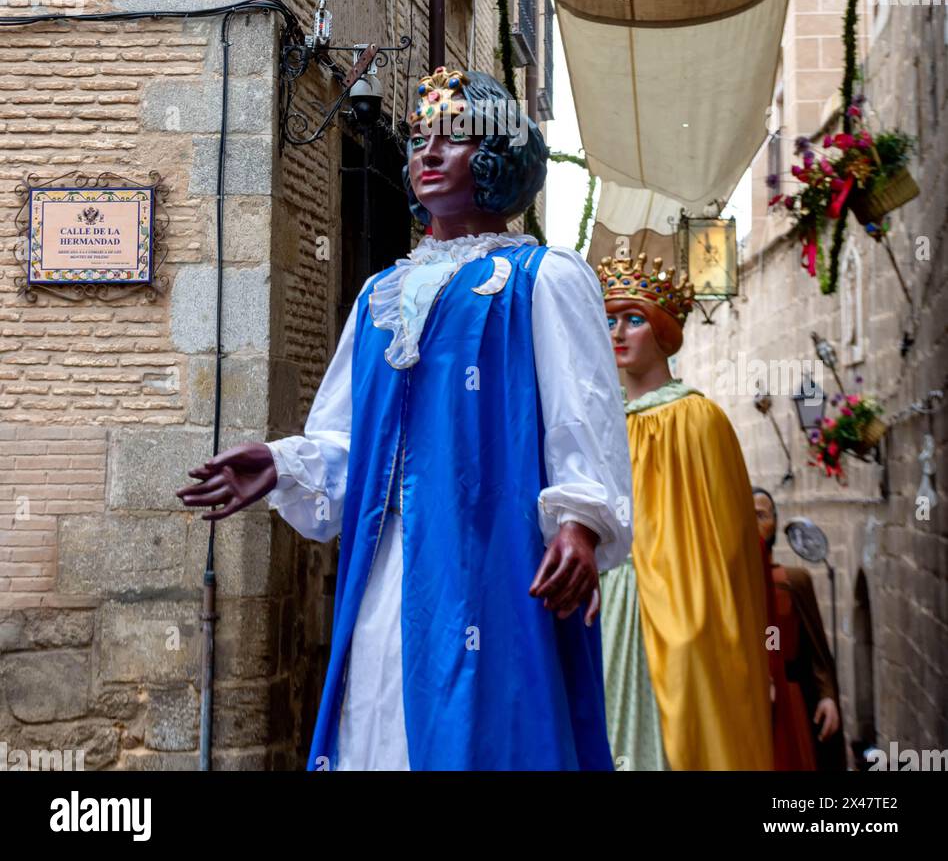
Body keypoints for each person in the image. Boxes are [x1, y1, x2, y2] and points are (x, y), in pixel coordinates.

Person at [177, 67, 632, 771]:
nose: (427, 152)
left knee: (484, 719)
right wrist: (281, 463)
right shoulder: (378, 293)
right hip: (388, 561)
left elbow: (585, 414)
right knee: (381, 710)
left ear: (495, 156)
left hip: (492, 553)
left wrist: (580, 518)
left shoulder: (544, 279)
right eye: (420, 138)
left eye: (451, 139)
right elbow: (348, 440)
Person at [597, 252, 773, 770]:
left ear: (662, 330)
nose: (619, 332)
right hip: (604, 604)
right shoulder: (597, 421)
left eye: (634, 319)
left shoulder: (699, 419)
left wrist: (696, 618)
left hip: (678, 609)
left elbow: (729, 545)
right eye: (609, 319)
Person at [753, 488, 846, 772]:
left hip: (791, 702)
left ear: (775, 523)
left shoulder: (795, 582)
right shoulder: (725, 587)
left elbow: (817, 650)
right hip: (747, 706)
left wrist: (827, 696)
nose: (754, 522)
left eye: (760, 515)